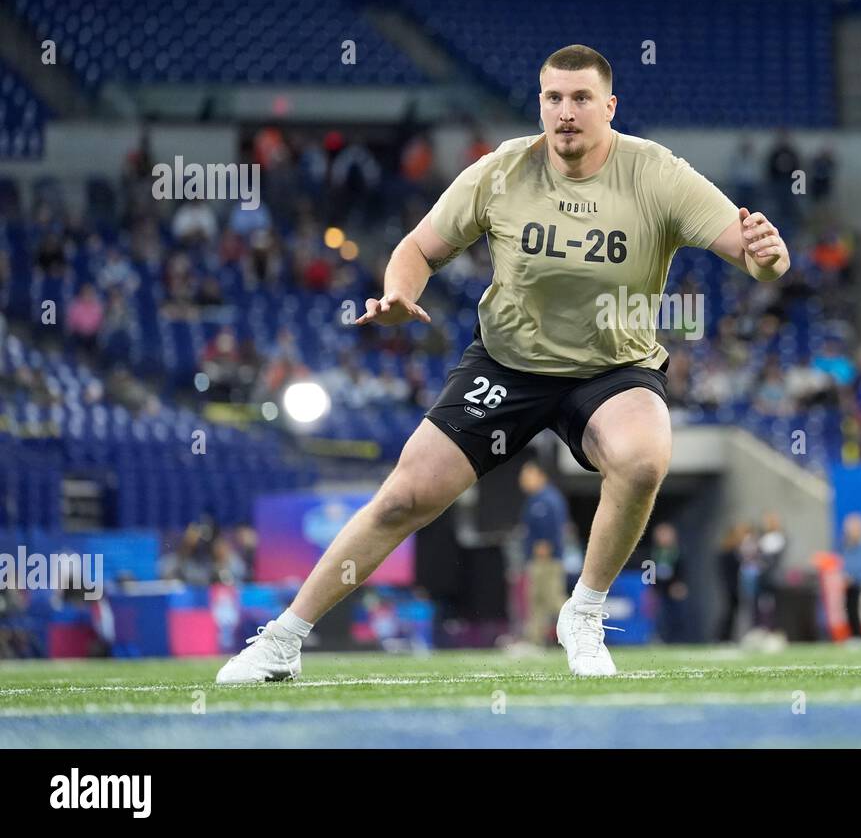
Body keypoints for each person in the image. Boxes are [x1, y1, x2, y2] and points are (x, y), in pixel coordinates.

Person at [216, 45, 790, 682]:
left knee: (645, 458)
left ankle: (584, 613)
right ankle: (283, 640)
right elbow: (418, 247)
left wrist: (768, 254)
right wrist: (402, 292)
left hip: (612, 367)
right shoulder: (500, 171)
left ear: (610, 106)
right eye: (553, 98)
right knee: (403, 498)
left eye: (580, 99)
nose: (565, 112)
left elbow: (753, 252)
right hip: (507, 362)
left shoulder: (655, 173)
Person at [517, 460, 569, 645]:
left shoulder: (548, 499)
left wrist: (545, 548)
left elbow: (554, 529)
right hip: (537, 559)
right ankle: (534, 640)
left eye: (527, 475)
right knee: (536, 601)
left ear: (540, 476)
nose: (522, 480)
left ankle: (580, 628)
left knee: (553, 599)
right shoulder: (535, 499)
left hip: (547, 561)